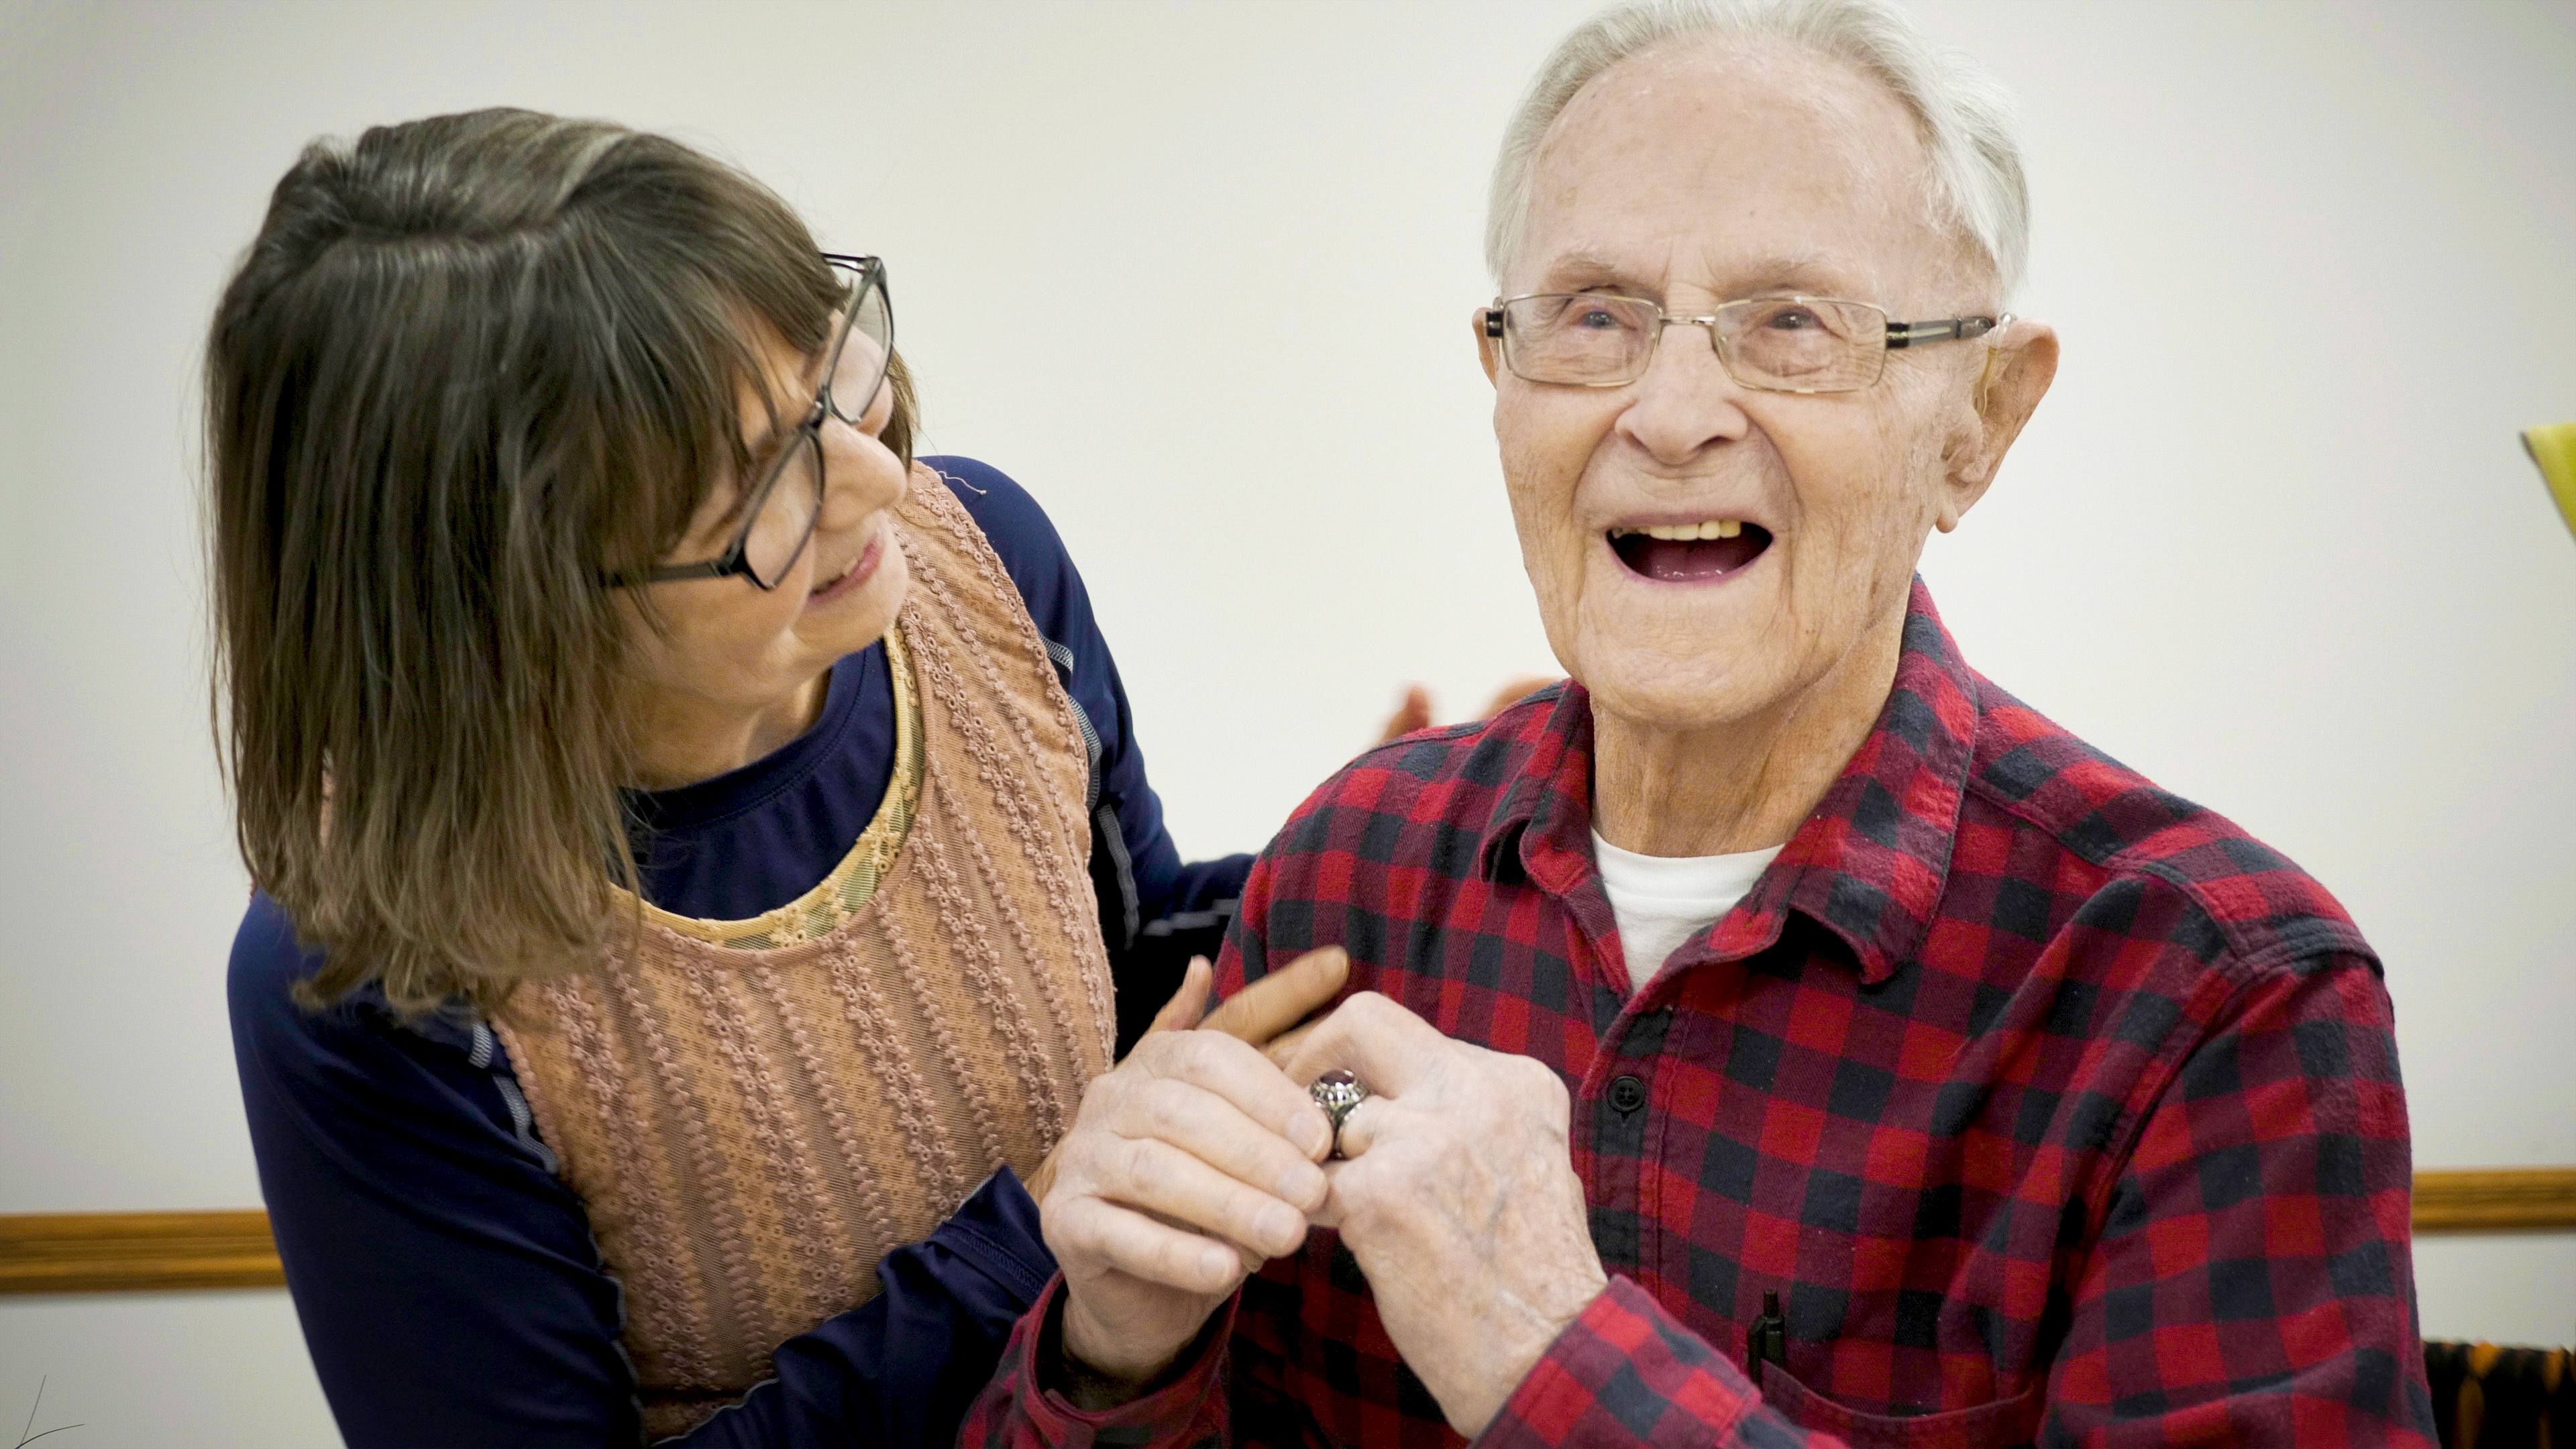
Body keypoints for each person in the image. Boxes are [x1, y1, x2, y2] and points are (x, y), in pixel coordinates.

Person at [961, 1, 2436, 1444]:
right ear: (1501, 381)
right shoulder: (1354, 870)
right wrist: (1115, 1357)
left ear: (1981, 418)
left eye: (1792, 323)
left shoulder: (2217, 997)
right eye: (1595, 317)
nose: (1670, 416)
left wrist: (1544, 1351)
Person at [211, 108, 1359, 1448]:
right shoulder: (376, 979)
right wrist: (1034, 1242)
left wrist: (1412, 832)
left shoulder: (985, 559)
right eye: (759, 490)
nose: (876, 481)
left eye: (832, 375)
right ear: (508, 605)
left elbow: (1129, 953)